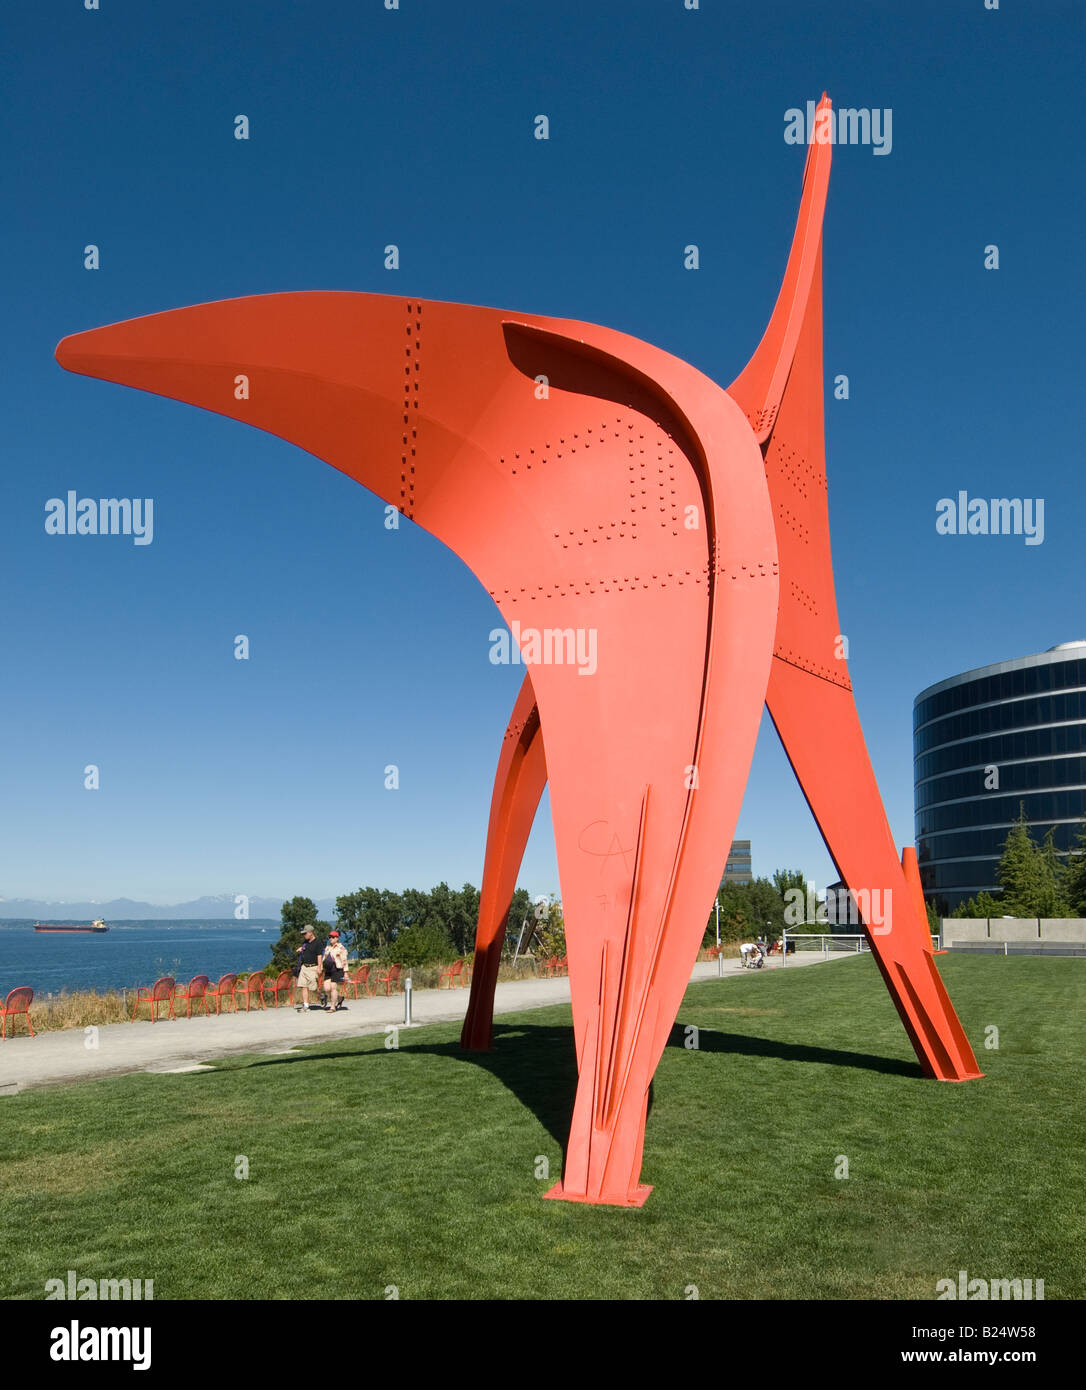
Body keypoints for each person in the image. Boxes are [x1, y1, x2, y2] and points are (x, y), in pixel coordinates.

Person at [295, 925, 321, 1011]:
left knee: (313, 987)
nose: (304, 935)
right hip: (304, 967)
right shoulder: (305, 942)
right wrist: (301, 948)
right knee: (303, 986)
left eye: (305, 933)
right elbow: (305, 949)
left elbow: (319, 956)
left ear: (311, 933)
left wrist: (319, 967)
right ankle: (306, 1005)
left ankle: (321, 996)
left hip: (313, 967)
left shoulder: (317, 943)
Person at [321, 929, 349, 1012]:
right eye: (330, 937)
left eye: (333, 937)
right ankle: (339, 998)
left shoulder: (341, 948)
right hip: (328, 969)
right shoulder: (327, 947)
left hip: (337, 969)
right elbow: (324, 958)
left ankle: (332, 1007)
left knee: (333, 987)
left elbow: (344, 961)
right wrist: (321, 967)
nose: (331, 938)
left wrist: (346, 972)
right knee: (326, 988)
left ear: (337, 938)